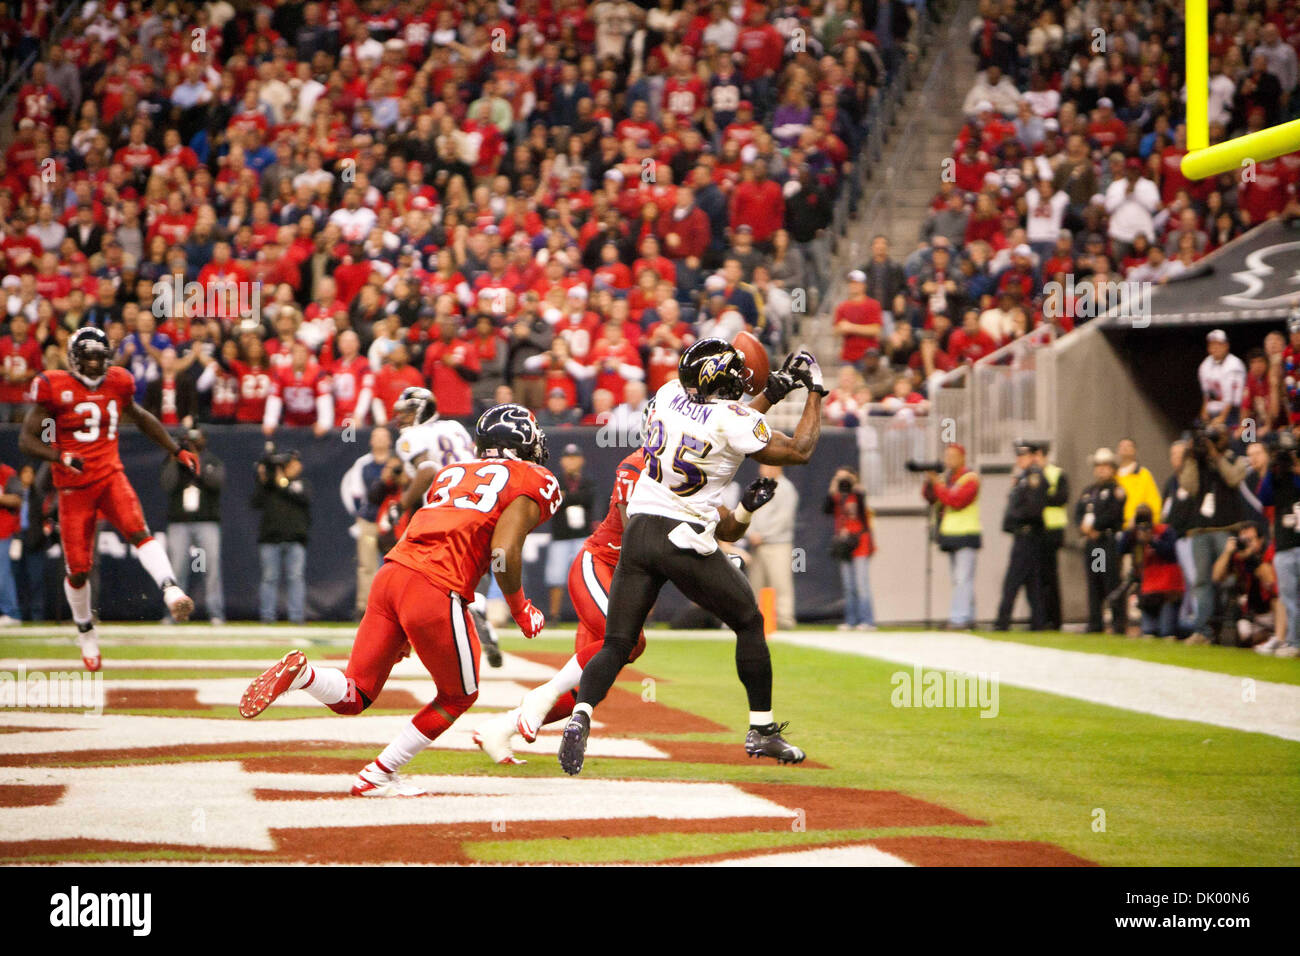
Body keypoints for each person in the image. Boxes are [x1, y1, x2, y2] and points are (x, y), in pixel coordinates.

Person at [239, 404, 561, 796]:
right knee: (460, 694)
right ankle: (378, 774)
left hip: (392, 575)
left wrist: (410, 622)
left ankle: (303, 675)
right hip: (435, 584)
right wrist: (520, 608)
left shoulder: (450, 473)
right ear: (519, 442)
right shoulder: (534, 479)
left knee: (355, 694)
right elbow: (502, 553)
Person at [558, 339, 827, 774]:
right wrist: (815, 390)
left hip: (641, 529)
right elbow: (799, 449)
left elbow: (723, 421)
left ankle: (581, 715)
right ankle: (762, 728)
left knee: (616, 643)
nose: (743, 381)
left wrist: (772, 394)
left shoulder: (666, 395)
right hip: (683, 536)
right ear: (722, 383)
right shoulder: (731, 418)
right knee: (748, 620)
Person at [473, 404, 658, 764]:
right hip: (601, 564)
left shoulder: (692, 471)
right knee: (629, 642)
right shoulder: (639, 466)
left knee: (588, 683)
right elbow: (641, 538)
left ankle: (502, 728)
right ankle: (541, 695)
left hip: (624, 575)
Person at [19, 326, 198, 671]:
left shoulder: (119, 382)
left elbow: (142, 418)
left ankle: (171, 590)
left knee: (138, 529)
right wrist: (60, 457)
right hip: (72, 488)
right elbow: (27, 441)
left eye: (99, 358)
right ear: (73, 359)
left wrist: (176, 449)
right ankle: (86, 630)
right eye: (87, 358)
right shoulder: (53, 386)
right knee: (79, 570)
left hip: (109, 475)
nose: (93, 365)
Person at [390, 386, 502, 667]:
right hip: (480, 504)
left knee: (423, 570)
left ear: (420, 411)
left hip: (444, 509)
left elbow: (427, 469)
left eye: (405, 413)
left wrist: (401, 504)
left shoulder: (410, 437)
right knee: (477, 567)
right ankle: (477, 607)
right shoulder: (455, 427)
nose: (401, 419)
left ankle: (412, 630)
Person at [161, 427, 225, 624]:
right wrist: (175, 457)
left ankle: (215, 613)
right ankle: (173, 613)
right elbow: (167, 484)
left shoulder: (212, 460)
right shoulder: (174, 461)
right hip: (180, 522)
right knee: (177, 569)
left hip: (206, 522)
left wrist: (197, 459)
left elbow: (216, 482)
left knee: (209, 568)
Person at [922, 442, 981, 628]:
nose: (949, 460)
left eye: (953, 456)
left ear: (962, 457)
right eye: (947, 456)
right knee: (960, 579)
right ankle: (968, 617)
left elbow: (955, 501)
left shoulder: (970, 478)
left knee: (962, 579)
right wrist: (929, 481)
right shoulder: (946, 479)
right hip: (951, 535)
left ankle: (958, 619)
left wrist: (938, 484)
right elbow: (930, 498)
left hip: (967, 534)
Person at [1250, 439, 1300, 657]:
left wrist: (1295, 465)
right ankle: (1293, 641)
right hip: (1284, 546)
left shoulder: (1295, 478)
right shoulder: (1278, 479)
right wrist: (1273, 467)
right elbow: (1264, 497)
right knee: (1288, 599)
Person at [251, 449, 311, 624]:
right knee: (269, 578)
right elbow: (255, 502)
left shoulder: (302, 483)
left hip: (295, 538)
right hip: (271, 538)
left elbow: (302, 498)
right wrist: (263, 479)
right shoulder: (268, 486)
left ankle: (297, 617)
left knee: (295, 578)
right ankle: (267, 616)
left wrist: (282, 481)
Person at [339, 427, 393, 618]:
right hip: (370, 519)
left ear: (389, 440)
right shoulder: (363, 463)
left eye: (383, 436)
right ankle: (365, 608)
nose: (379, 440)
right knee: (366, 565)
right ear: (370, 441)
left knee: (396, 567)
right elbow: (356, 493)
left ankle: (394, 606)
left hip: (393, 522)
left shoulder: (396, 462)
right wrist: (361, 514)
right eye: (375, 436)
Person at [994, 440, 1048, 631]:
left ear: (1033, 456)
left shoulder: (1033, 476)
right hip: (1023, 535)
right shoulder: (1022, 478)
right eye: (1019, 456)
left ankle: (1002, 621)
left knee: (1013, 579)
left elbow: (1033, 509)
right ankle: (1038, 622)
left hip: (1028, 535)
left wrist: (1015, 515)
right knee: (1032, 582)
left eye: (1024, 455)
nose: (1020, 459)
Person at [1075, 447, 1127, 633]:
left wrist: (1095, 527)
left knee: (1110, 580)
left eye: (1105, 466)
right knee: (1095, 581)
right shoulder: (1089, 491)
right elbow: (1079, 512)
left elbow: (1112, 514)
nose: (1101, 470)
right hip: (1093, 544)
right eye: (1098, 466)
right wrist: (1084, 528)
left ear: (1113, 468)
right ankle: (1095, 622)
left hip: (1106, 542)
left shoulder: (1116, 490)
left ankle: (1118, 622)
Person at [1116, 505, 1185, 638]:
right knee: (1149, 633)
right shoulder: (1134, 534)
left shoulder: (1164, 531)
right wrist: (1128, 531)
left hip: (1168, 589)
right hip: (1149, 590)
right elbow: (1120, 550)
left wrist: (1152, 541)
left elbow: (1172, 554)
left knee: (1167, 633)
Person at [745, 463, 799, 629]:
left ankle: (784, 619)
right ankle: (755, 619)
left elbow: (784, 518)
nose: (762, 469)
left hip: (778, 544)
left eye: (766, 466)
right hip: (757, 544)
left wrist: (763, 535)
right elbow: (750, 511)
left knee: (780, 583)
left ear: (777, 468)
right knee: (755, 583)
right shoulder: (760, 487)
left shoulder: (786, 488)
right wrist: (751, 533)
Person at [546, 443, 595, 619]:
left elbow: (590, 498)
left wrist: (567, 496)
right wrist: (569, 497)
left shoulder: (588, 481)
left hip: (583, 535)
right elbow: (554, 501)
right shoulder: (556, 481)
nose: (571, 461)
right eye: (568, 457)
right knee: (556, 577)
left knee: (585, 577)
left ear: (581, 460)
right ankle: (554, 615)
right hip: (561, 536)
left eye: (574, 457)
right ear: (562, 461)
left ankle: (588, 615)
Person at [825, 466, 875, 630]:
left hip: (860, 541)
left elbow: (862, 510)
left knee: (861, 584)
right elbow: (826, 509)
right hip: (844, 543)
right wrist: (833, 488)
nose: (843, 482)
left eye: (845, 478)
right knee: (848, 585)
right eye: (839, 478)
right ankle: (851, 620)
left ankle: (867, 621)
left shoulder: (858, 495)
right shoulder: (837, 496)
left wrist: (854, 486)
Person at [1034, 440, 1069, 630]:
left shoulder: (1056, 474)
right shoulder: (1031, 475)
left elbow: (1061, 498)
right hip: (1038, 531)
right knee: (1038, 577)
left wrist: (1041, 494)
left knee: (1050, 576)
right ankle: (1041, 618)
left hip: (1052, 530)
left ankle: (1054, 620)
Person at [1114, 437, 1162, 528]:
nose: (1125, 448)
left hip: (1138, 528)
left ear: (1135, 451)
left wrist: (1151, 525)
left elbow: (1154, 503)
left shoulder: (1144, 475)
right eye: (1122, 446)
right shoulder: (1113, 477)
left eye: (1128, 446)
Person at [0, 460, 22, 626]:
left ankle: (11, 612)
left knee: (2, 574)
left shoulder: (7, 473)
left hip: (3, 531)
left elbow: (17, 500)